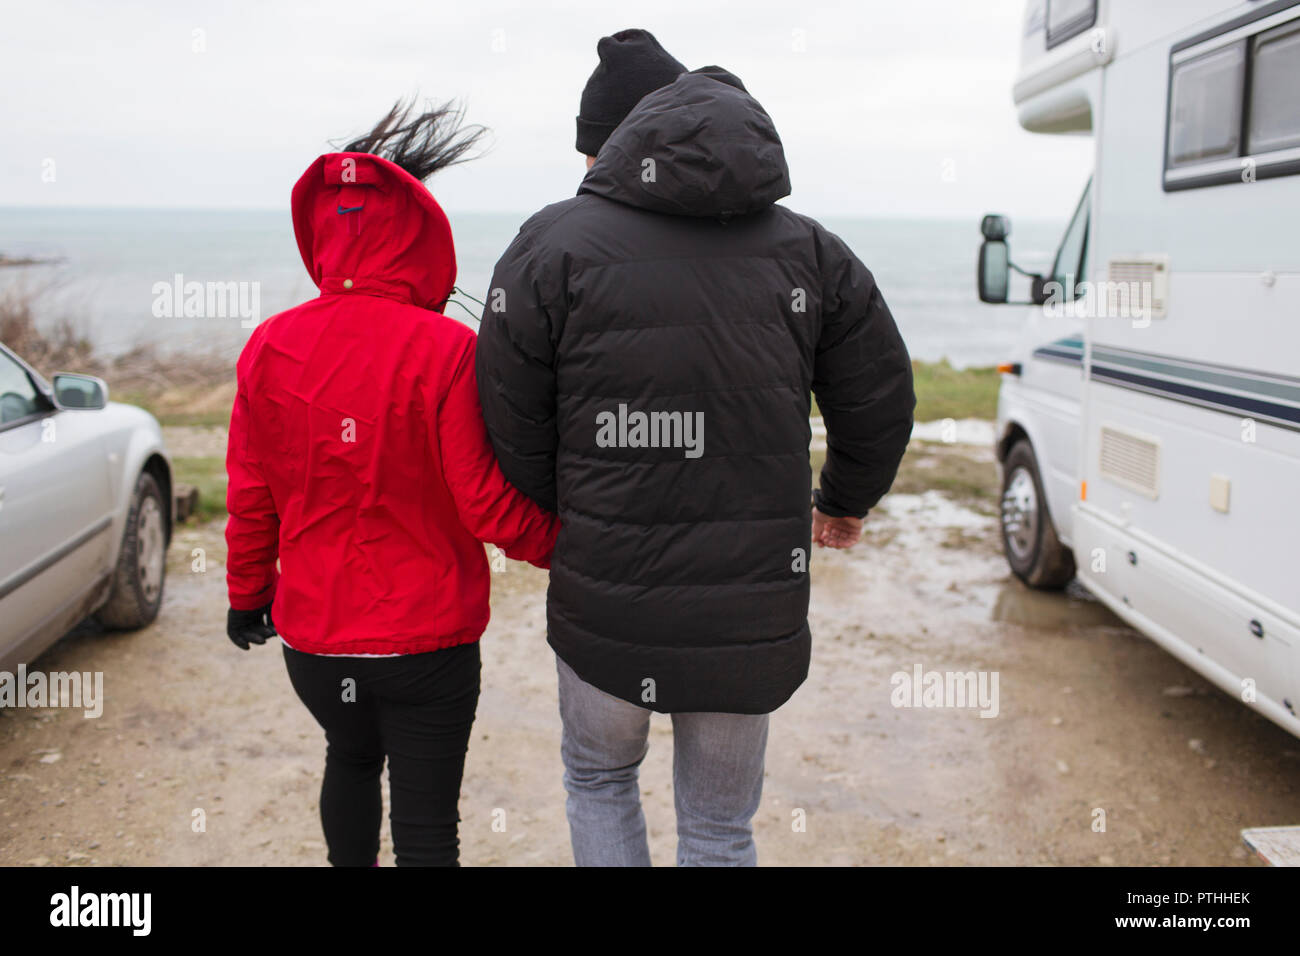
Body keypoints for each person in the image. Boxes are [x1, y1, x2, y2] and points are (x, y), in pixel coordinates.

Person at [475, 31, 915, 866]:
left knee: (599, 782)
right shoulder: (810, 250)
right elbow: (879, 395)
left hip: (605, 592)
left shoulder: (552, 243)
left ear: (620, 141)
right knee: (720, 828)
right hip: (749, 612)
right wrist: (846, 497)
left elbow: (506, 406)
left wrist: (564, 504)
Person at [224, 100, 558, 867]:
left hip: (314, 638)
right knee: (427, 823)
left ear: (319, 234)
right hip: (428, 638)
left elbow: (251, 495)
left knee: (348, 760)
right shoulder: (448, 349)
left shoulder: (269, 346)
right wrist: (569, 548)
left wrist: (246, 595)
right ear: (419, 234)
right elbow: (483, 502)